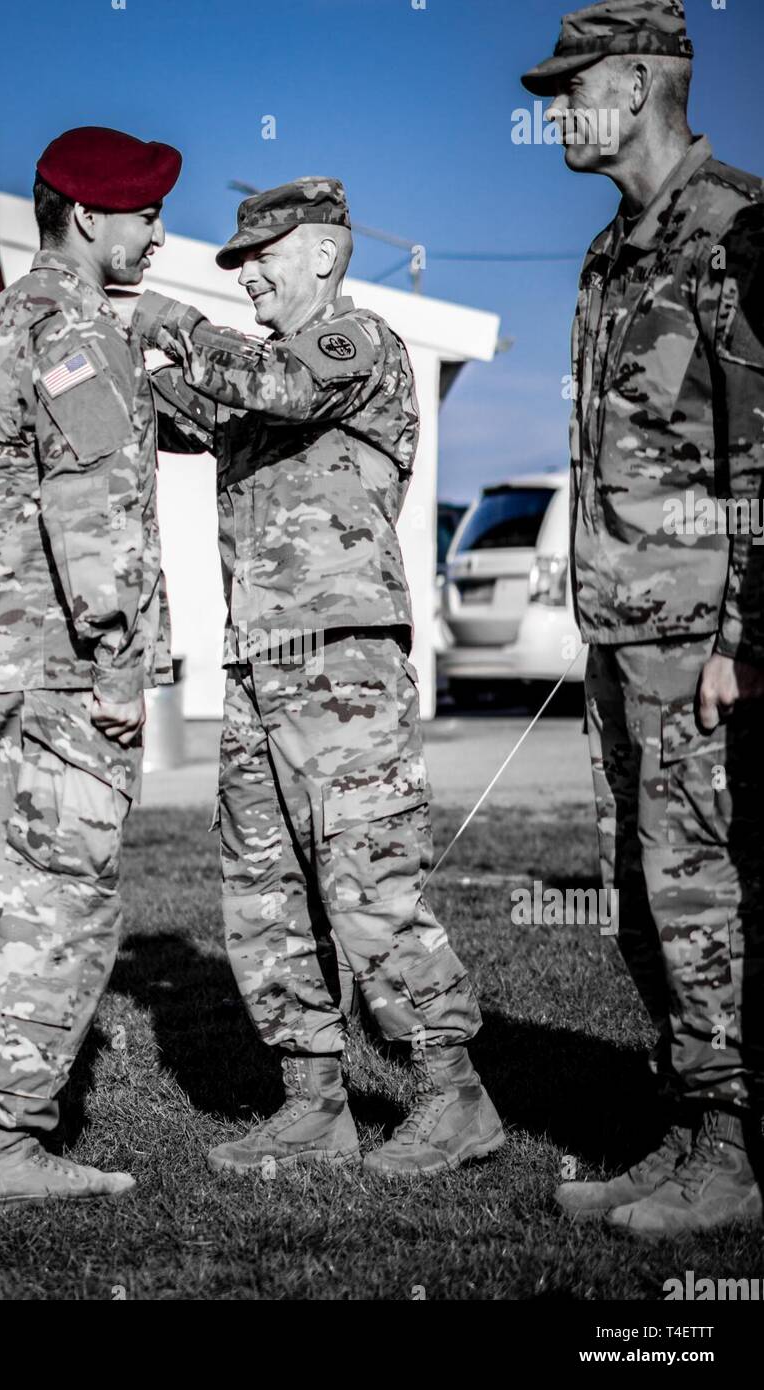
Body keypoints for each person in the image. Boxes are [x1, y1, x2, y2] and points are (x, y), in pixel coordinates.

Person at [134, 177, 504, 1178]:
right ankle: (312, 1102)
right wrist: (82, 341)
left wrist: (177, 324)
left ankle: (449, 1094)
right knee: (263, 889)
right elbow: (153, 407)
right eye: (236, 263)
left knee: (366, 878)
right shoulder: (248, 373)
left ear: (321, 254)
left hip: (343, 659)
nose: (245, 274)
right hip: (258, 661)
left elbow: (275, 384)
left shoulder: (354, 344)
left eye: (259, 256)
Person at [521, 0, 764, 1235]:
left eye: (569, 83)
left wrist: (744, 636)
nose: (553, 107)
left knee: (702, 888)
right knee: (641, 887)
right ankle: (684, 1126)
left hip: (703, 645)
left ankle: (728, 1148)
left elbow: (759, 455)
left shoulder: (736, 228)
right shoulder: (610, 251)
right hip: (623, 640)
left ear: (634, 78)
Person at [0, 125, 181, 1207]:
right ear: (87, 216)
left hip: (1, 664)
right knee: (63, 901)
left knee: (3, 897)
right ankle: (4, 1147)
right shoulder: (74, 330)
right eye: (142, 214)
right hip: (62, 672)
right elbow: (95, 517)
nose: (156, 233)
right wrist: (121, 663)